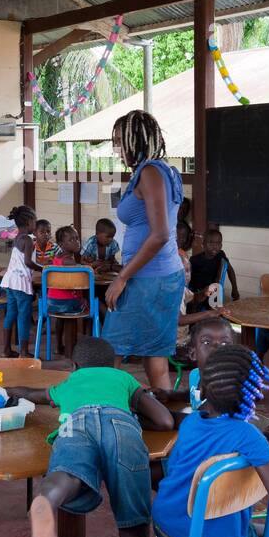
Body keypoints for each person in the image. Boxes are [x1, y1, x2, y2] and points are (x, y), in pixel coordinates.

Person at [5, 337, 174, 537]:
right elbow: (164, 421)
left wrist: (9, 390)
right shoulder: (123, 379)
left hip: (76, 423)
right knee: (134, 525)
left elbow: (31, 394)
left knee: (67, 472)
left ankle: (46, 501)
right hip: (121, 425)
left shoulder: (69, 382)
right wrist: (133, 418)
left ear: (74, 366)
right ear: (113, 365)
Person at [151, 345, 269, 537]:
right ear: (253, 395)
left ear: (203, 389)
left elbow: (174, 469)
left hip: (167, 533)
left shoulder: (191, 422)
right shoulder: (250, 437)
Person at [102, 110, 187, 390]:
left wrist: (123, 276)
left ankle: (98, 412)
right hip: (164, 276)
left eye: (119, 141)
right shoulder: (164, 170)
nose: (117, 148)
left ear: (134, 139)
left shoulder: (150, 172)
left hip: (147, 279)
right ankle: (165, 420)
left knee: (108, 352)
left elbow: (161, 234)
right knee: (155, 356)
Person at [159, 313, 236, 413]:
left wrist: (171, 417)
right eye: (207, 342)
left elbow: (203, 420)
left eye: (224, 343)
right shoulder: (195, 375)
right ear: (193, 353)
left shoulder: (226, 386)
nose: (217, 347)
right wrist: (170, 394)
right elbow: (192, 393)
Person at [1, 205, 42, 358]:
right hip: (21, 284)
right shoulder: (28, 240)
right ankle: (24, 352)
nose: (36, 224)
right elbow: (28, 262)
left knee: (11, 315)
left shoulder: (17, 237)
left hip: (10, 281)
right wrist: (43, 269)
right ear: (29, 222)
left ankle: (6, 350)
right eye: (35, 221)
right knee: (24, 316)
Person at [47, 225, 88, 356]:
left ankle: (59, 345)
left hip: (53, 302)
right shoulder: (69, 261)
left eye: (77, 238)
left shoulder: (57, 257)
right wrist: (88, 267)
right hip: (69, 303)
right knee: (92, 306)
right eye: (71, 239)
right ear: (61, 244)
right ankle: (71, 352)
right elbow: (84, 273)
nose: (76, 241)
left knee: (61, 318)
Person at [189, 227, 239, 312]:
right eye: (211, 243)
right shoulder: (195, 260)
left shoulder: (221, 255)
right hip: (198, 293)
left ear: (221, 245)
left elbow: (230, 270)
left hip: (214, 294)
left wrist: (235, 288)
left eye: (218, 243)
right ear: (203, 244)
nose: (214, 246)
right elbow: (188, 281)